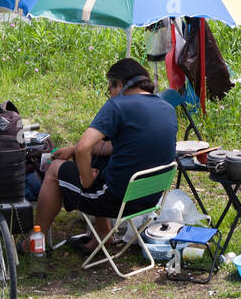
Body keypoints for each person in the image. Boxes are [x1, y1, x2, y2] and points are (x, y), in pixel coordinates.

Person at [34, 58, 178, 253]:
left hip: (115, 200)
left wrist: (86, 181)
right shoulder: (167, 109)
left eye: (110, 87)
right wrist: (73, 149)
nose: (110, 93)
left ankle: (35, 242)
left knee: (54, 169)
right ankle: (102, 234)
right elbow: (113, 146)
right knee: (95, 160)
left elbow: (84, 148)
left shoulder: (118, 105)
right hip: (148, 198)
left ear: (118, 84)